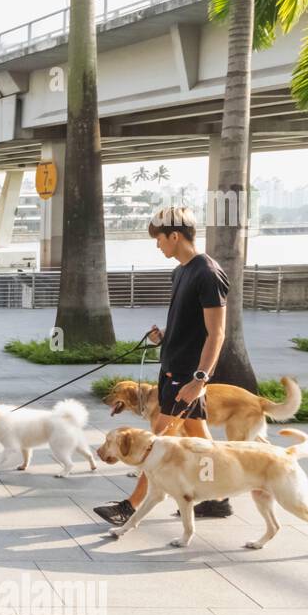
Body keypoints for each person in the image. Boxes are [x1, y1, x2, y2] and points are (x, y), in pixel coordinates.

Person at [94, 206, 231, 525]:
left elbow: (217, 332)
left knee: (154, 442)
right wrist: (164, 335)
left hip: (186, 376)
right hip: (172, 368)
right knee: (200, 439)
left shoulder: (208, 273)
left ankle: (130, 506)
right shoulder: (180, 272)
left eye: (160, 239)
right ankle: (218, 499)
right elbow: (191, 324)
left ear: (175, 235)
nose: (158, 245)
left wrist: (200, 379)